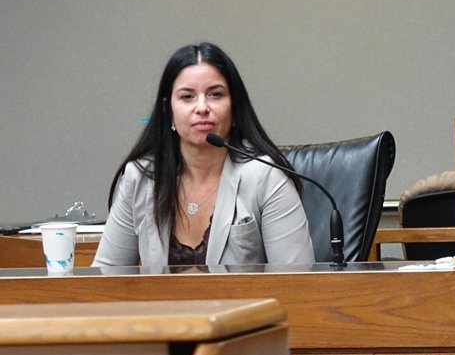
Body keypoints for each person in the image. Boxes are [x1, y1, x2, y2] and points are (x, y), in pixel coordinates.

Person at [94, 43, 315, 267]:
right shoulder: (141, 177)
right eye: (187, 97)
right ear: (167, 109)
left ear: (234, 106)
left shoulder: (266, 177)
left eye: (215, 95)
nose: (202, 107)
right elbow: (102, 280)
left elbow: (297, 284)